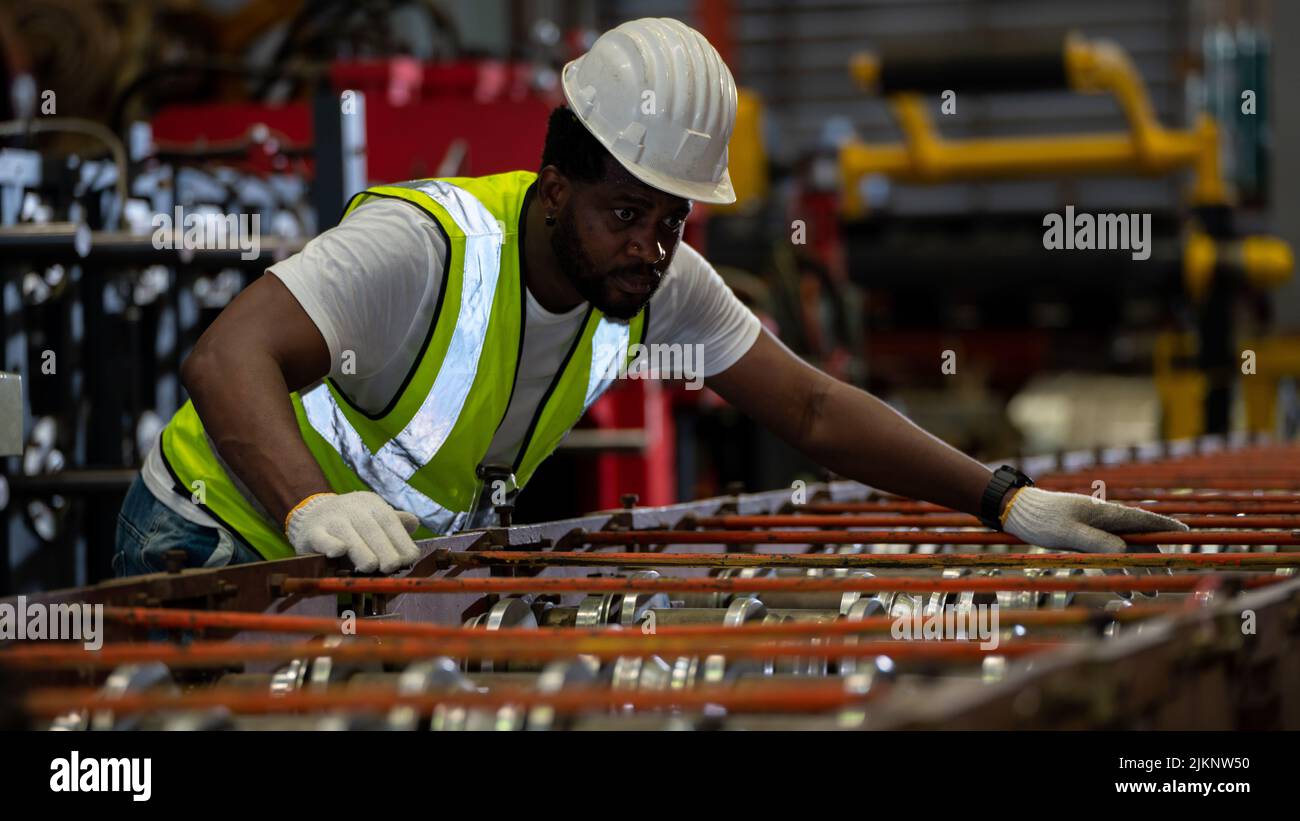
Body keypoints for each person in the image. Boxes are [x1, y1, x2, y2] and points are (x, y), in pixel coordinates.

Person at [114, 17, 1185, 577]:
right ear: (556, 183)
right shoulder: (426, 244)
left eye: (674, 219)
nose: (652, 248)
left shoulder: (655, 275)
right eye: (627, 213)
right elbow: (224, 358)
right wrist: (309, 504)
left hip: (360, 566)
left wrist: (1002, 498)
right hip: (211, 539)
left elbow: (809, 408)